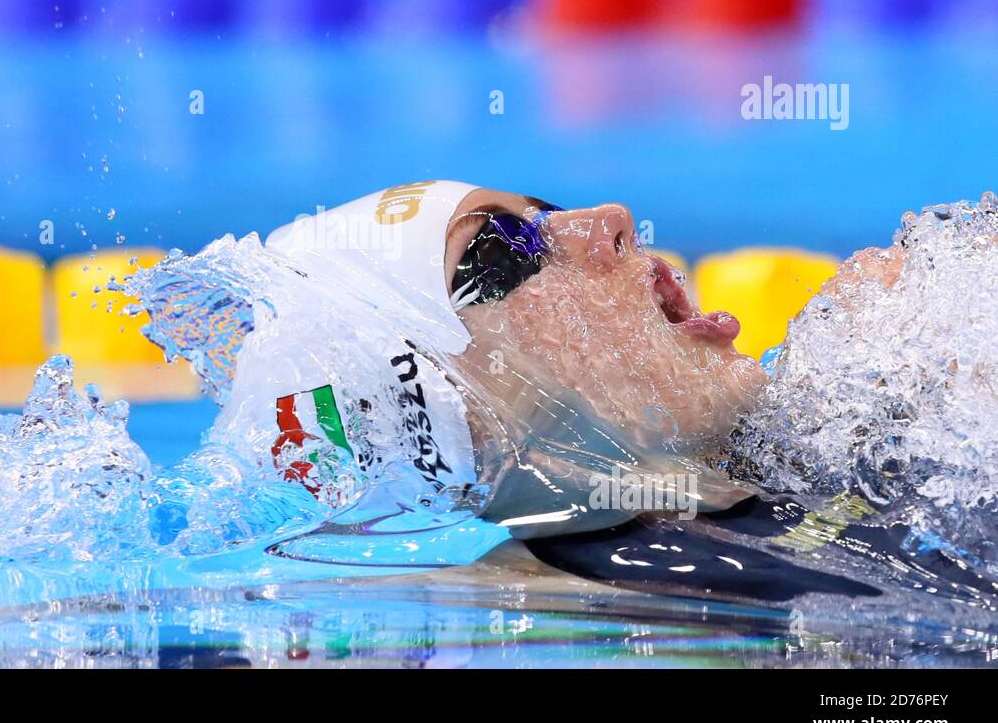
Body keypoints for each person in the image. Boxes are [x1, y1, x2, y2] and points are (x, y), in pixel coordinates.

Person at [211, 180, 770, 538]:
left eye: (543, 212)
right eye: (504, 247)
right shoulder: (663, 624)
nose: (609, 220)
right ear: (461, 420)